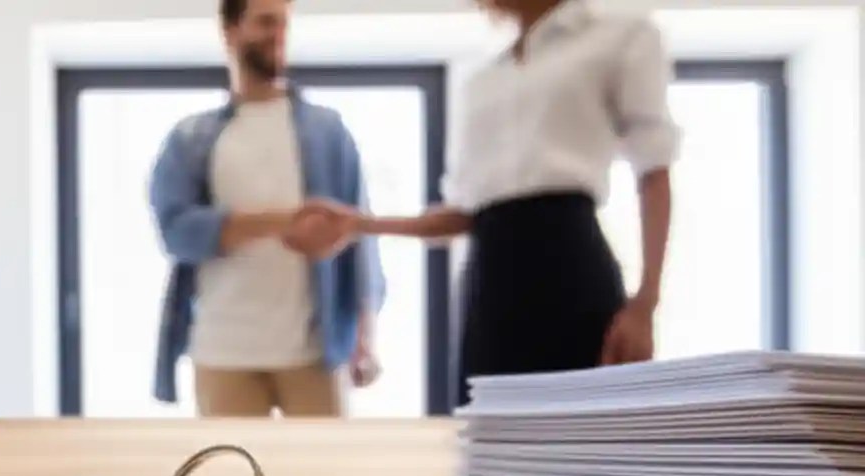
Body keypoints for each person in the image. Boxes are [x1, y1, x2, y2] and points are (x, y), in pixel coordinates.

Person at [289, 0, 680, 407]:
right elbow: (463, 213)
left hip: (572, 271)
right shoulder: (484, 81)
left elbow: (653, 172)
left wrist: (645, 303)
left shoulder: (620, 37)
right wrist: (359, 225)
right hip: (489, 288)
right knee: (489, 439)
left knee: (581, 435)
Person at [147, 0, 386, 418]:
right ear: (231, 29)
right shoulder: (191, 139)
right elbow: (178, 233)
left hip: (313, 352)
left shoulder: (328, 132)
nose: (278, 34)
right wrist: (289, 221)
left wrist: (366, 337)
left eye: (284, 24)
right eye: (265, 22)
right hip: (223, 352)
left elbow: (357, 238)